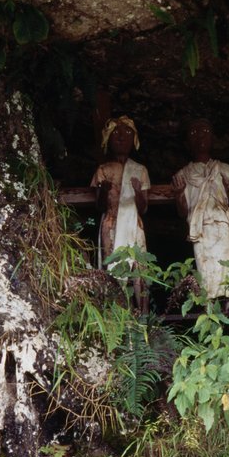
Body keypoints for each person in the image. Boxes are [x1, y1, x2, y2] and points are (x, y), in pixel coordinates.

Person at [172, 118, 229, 298]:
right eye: (194, 133)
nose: (200, 136)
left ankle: (228, 307)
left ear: (213, 139)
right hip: (200, 229)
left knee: (227, 271)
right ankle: (208, 309)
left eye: (205, 132)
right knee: (206, 274)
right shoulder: (183, 174)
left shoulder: (225, 169)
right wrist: (179, 195)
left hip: (222, 224)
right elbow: (183, 212)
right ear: (187, 143)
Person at [90, 115, 150, 311]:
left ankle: (142, 313)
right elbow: (99, 206)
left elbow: (144, 208)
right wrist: (104, 191)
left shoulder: (140, 170)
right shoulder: (103, 170)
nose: (121, 137)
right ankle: (116, 311)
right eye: (116, 133)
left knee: (139, 267)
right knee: (114, 267)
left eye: (127, 133)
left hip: (134, 224)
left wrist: (138, 192)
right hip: (111, 223)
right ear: (108, 139)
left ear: (134, 139)